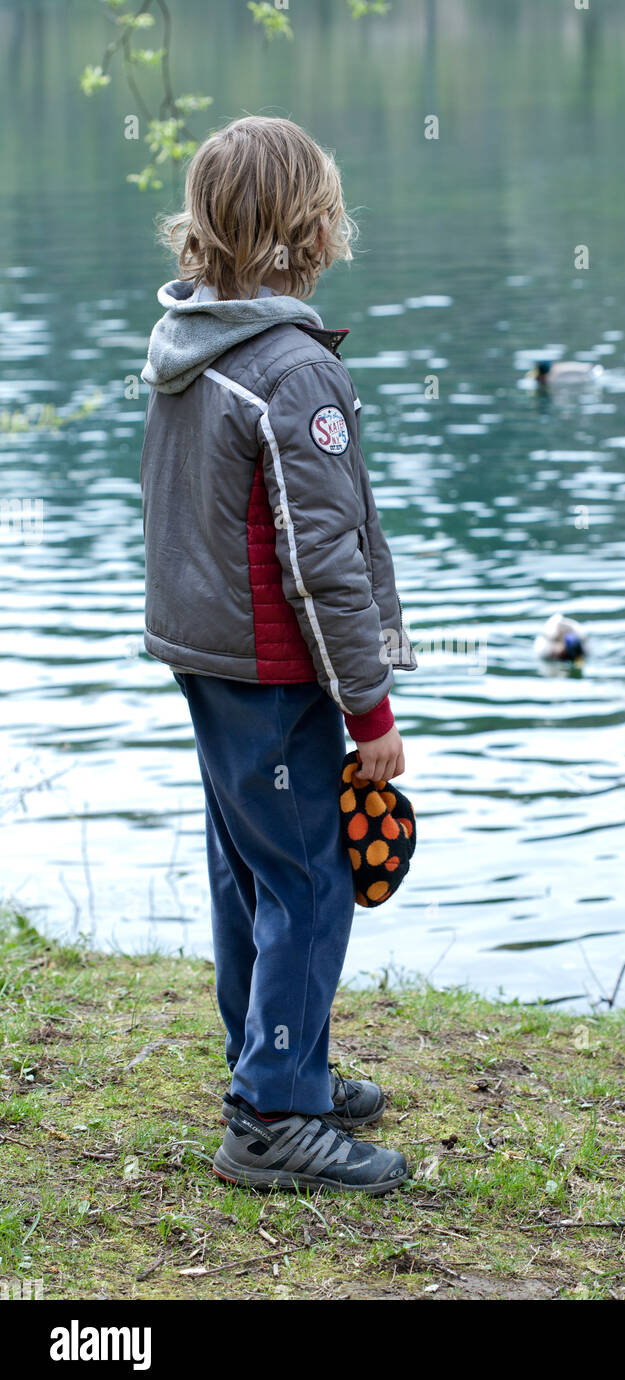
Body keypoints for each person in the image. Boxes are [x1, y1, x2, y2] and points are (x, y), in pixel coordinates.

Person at [139, 116, 416, 1194]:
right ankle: (270, 1117)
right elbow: (323, 565)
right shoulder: (292, 375)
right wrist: (371, 710)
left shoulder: (186, 345)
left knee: (249, 867)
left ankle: (279, 1057)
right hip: (273, 667)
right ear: (313, 229)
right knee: (307, 877)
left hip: (206, 655)